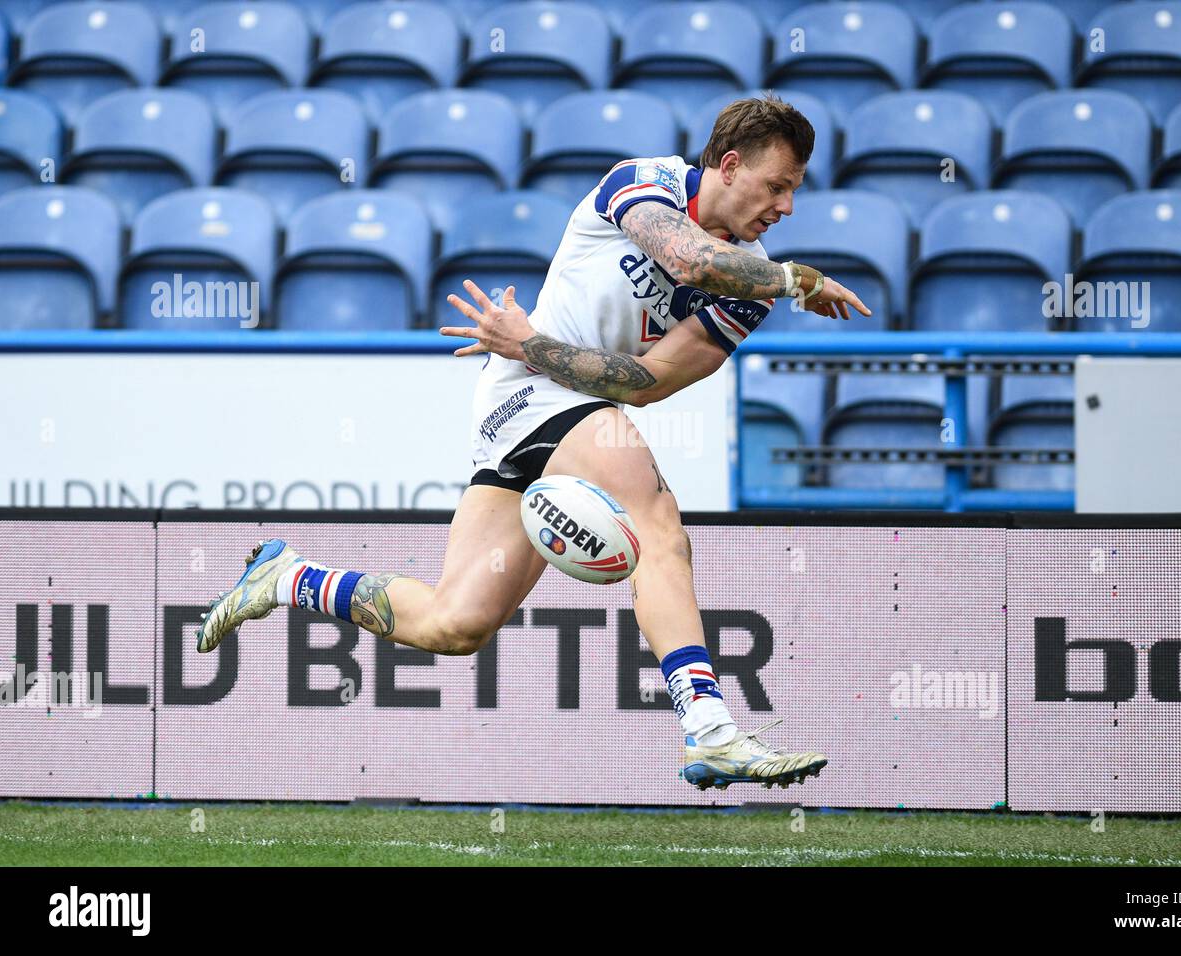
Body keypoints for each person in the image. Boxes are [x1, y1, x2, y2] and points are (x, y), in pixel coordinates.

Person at [196, 93, 871, 790]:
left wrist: (533, 343)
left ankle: (287, 578)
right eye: (777, 185)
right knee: (657, 523)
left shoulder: (750, 290)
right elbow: (689, 259)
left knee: (455, 624)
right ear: (729, 165)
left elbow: (644, 382)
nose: (786, 206)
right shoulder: (644, 185)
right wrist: (800, 279)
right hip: (526, 396)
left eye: (793, 190)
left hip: (551, 381)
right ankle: (712, 731)